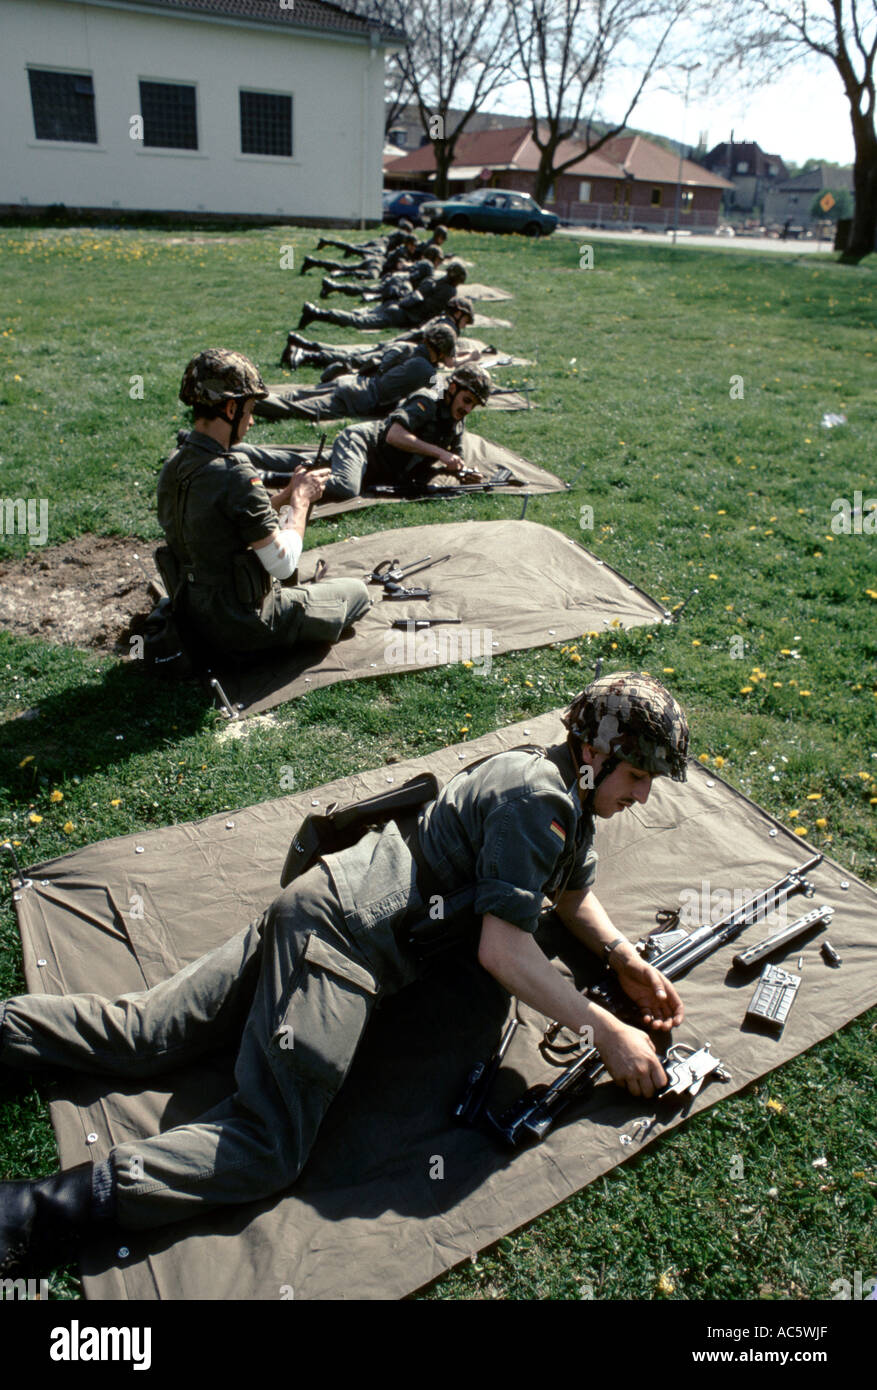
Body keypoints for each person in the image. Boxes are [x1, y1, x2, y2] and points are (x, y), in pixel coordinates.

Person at [0, 672, 689, 1276]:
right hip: (340, 942)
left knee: (143, 1033)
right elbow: (503, 952)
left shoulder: (554, 785)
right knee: (267, 1147)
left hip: (317, 899)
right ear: (595, 754)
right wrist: (604, 1032)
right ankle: (34, 1212)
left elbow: (568, 895)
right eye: (636, 776)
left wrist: (624, 959)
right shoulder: (537, 803)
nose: (641, 796)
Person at [154, 349, 371, 657]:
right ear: (231, 408)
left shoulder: (174, 465)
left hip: (190, 612)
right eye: (250, 408)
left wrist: (281, 497)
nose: (252, 420)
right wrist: (300, 502)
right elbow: (283, 565)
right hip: (241, 626)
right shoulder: (234, 473)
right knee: (358, 593)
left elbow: (219, 522)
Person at [323, 363, 490, 499]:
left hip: (381, 467)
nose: (468, 409)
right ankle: (297, 482)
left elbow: (456, 458)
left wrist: (465, 473)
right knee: (345, 488)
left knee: (313, 463)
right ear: (453, 389)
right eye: (466, 400)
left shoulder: (457, 419)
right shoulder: (428, 401)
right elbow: (394, 435)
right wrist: (440, 453)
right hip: (363, 445)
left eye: (473, 405)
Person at [253, 322, 458, 423]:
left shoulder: (407, 348)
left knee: (293, 396)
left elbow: (384, 361)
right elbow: (441, 394)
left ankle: (254, 394)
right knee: (293, 410)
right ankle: (248, 401)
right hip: (357, 398)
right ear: (440, 351)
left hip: (352, 381)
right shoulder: (427, 370)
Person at [280, 296, 475, 374]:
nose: (465, 325)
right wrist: (471, 358)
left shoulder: (441, 319)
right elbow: (450, 363)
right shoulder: (448, 328)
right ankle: (306, 354)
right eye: (465, 319)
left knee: (356, 355)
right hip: (404, 352)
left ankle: (303, 345)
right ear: (458, 313)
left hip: (401, 344)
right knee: (355, 360)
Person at [297, 260, 468, 333]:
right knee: (360, 322)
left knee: (360, 315)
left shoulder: (433, 280)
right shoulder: (449, 292)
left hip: (396, 305)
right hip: (402, 315)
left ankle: (319, 312)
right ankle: (316, 313)